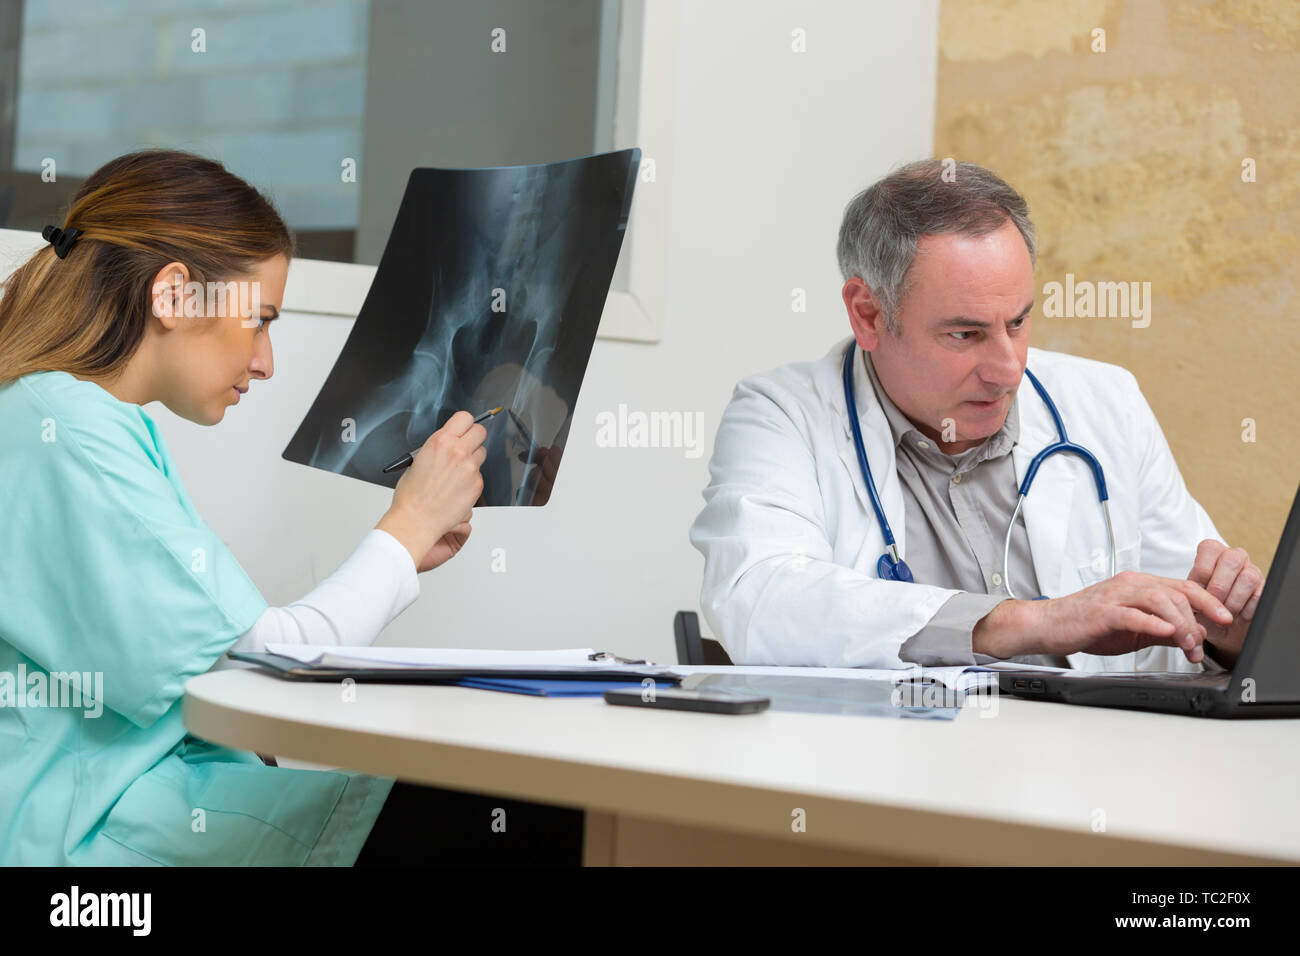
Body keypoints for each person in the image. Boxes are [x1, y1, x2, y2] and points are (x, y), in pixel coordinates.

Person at [0, 149, 543, 865]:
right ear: (172, 295)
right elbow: (274, 667)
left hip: (123, 807)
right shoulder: (68, 430)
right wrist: (404, 531)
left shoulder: (58, 417)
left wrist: (405, 543)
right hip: (89, 846)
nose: (266, 361)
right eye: (259, 320)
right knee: (511, 810)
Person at [689, 159, 1265, 673]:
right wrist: (1033, 623)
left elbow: (1197, 624)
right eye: (965, 334)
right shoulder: (782, 417)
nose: (1008, 368)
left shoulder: (1107, 402)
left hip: (1097, 771)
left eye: (1017, 322)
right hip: (894, 773)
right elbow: (759, 595)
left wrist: (1239, 630)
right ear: (868, 314)